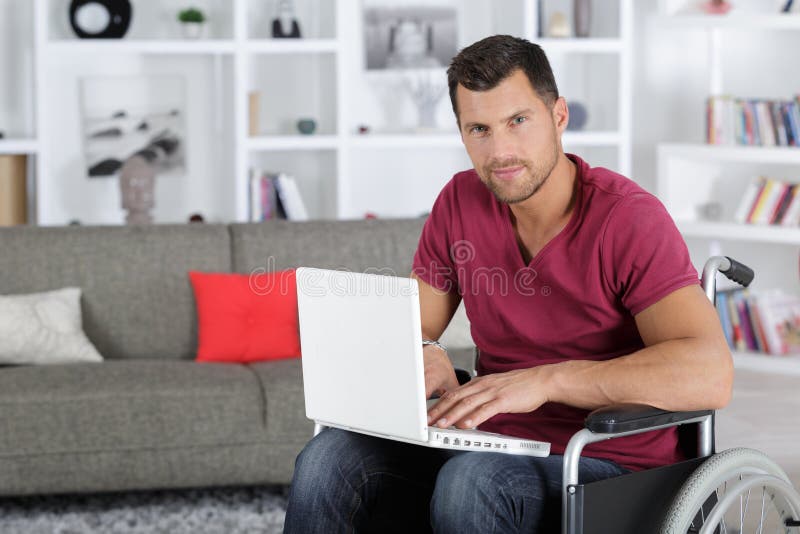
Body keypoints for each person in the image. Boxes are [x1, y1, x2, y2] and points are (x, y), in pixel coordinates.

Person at [283, 34, 732, 533]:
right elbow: (414, 327)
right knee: (329, 459)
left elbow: (709, 374)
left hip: (608, 462)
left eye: (518, 121)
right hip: (490, 444)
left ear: (558, 116)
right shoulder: (459, 202)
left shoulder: (628, 219)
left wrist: (546, 381)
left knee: (473, 482)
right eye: (479, 129)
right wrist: (424, 350)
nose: (500, 151)